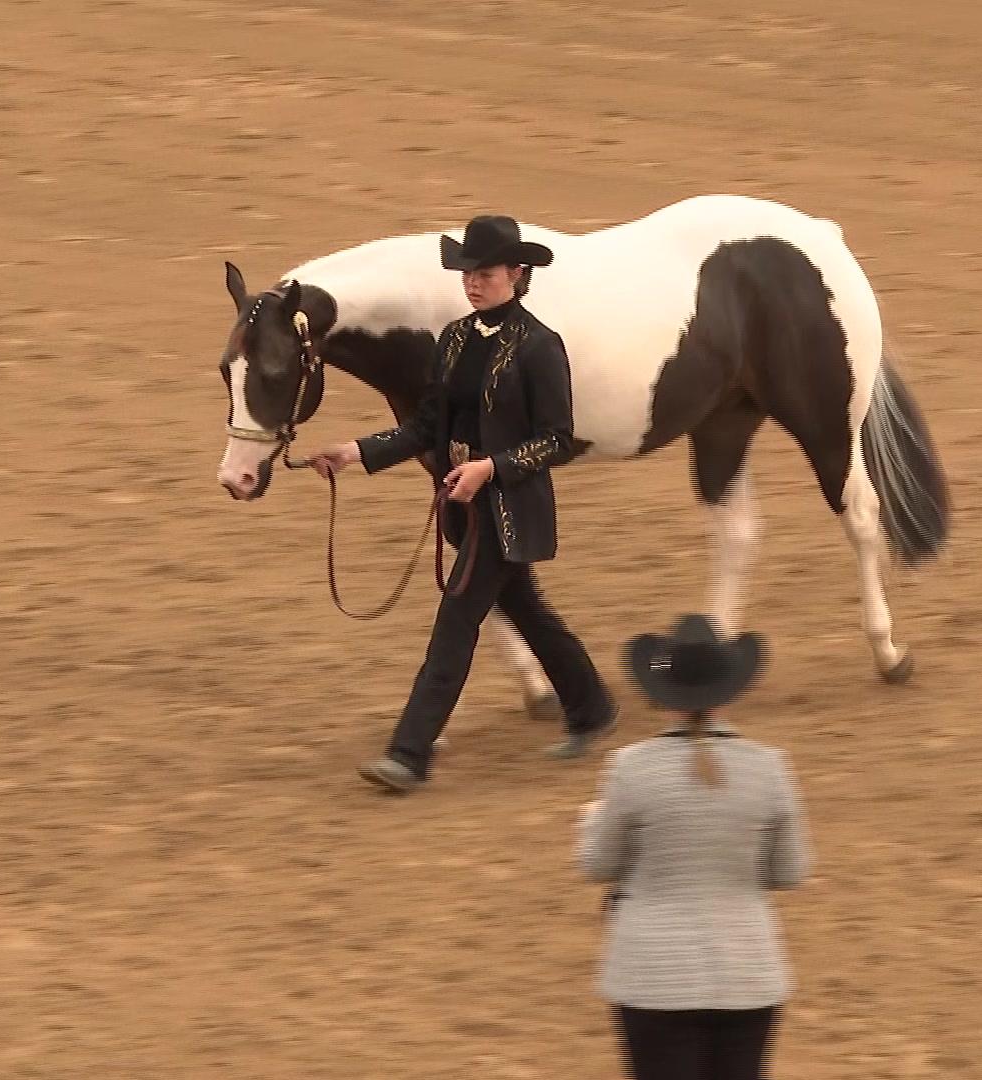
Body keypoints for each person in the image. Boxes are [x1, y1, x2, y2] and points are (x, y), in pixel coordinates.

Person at [305, 213, 619, 794]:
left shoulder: (541, 347)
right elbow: (428, 424)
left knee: (454, 626)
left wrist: (488, 468)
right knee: (528, 611)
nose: (474, 283)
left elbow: (557, 439)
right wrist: (356, 451)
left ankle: (409, 754)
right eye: (468, 273)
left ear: (518, 275)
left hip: (507, 511)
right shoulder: (453, 338)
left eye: (487, 273)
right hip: (465, 507)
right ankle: (593, 705)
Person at [577, 614, 812, 1080]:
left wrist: (590, 821)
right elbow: (790, 871)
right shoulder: (770, 768)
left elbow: (598, 863)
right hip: (749, 972)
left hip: (654, 976)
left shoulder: (631, 768)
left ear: (665, 696)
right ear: (729, 692)